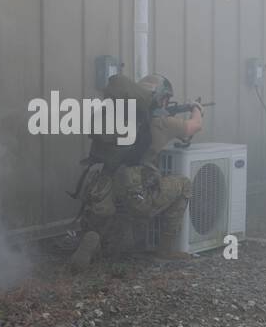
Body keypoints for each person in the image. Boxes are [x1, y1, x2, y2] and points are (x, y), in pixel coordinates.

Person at [70, 73, 203, 269]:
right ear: (160, 98)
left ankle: (95, 238)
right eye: (166, 99)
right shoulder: (161, 123)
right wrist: (196, 108)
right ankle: (164, 251)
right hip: (135, 190)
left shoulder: (119, 116)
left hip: (103, 188)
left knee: (108, 220)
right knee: (184, 184)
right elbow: (194, 126)